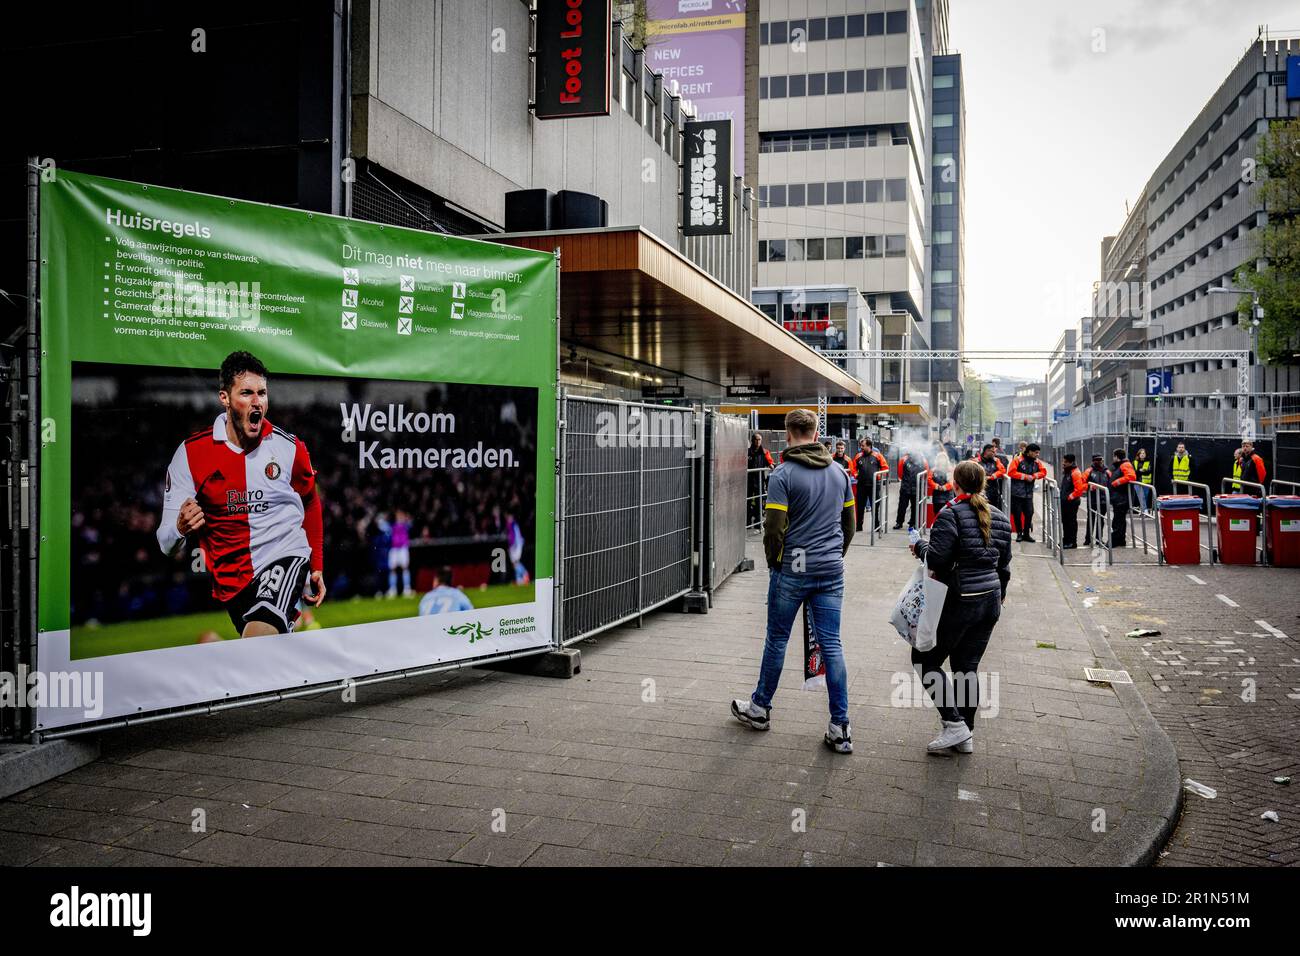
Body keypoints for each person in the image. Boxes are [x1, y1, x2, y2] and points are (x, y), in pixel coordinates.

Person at [157, 350, 326, 638]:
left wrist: (317, 565)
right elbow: (165, 543)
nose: (257, 401)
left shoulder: (289, 448)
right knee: (267, 660)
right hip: (233, 583)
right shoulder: (191, 455)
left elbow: (310, 501)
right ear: (225, 398)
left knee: (258, 639)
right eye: (247, 393)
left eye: (262, 392)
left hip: (285, 555)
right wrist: (179, 528)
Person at [732, 409, 856, 754]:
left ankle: (759, 709)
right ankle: (840, 726)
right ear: (816, 433)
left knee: (777, 639)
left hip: (792, 571)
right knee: (832, 644)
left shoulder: (782, 475)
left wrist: (776, 563)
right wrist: (835, 556)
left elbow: (773, 528)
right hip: (830, 571)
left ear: (788, 434)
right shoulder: (840, 472)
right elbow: (850, 525)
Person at [909, 460, 1013, 753]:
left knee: (924, 659)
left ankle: (954, 725)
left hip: (960, 601)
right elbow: (1004, 566)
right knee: (967, 667)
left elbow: (939, 560)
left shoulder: (950, 515)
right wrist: (1000, 595)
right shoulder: (1000, 518)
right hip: (990, 601)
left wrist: (919, 547)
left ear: (955, 483)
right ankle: (965, 734)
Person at [1007, 442, 1047, 542]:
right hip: (1016, 492)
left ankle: (1026, 534)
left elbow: (1043, 472)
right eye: (1036, 453)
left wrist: (1034, 476)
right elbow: (1011, 472)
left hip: (1028, 493)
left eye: (1038, 453)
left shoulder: (1037, 462)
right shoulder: (1018, 460)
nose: (1037, 455)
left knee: (1029, 513)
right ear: (1029, 452)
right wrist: (1025, 477)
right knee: (1017, 513)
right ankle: (1019, 534)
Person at [852, 437, 888, 532]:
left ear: (869, 446)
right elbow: (853, 468)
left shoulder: (878, 456)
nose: (861, 447)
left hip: (874, 486)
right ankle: (859, 526)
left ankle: (877, 527)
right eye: (861, 446)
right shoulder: (858, 456)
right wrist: (855, 474)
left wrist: (879, 476)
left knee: (875, 507)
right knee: (860, 506)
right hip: (861, 486)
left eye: (863, 446)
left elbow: (885, 468)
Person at [894, 447, 929, 530]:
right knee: (902, 506)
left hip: (917, 488)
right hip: (906, 487)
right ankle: (899, 522)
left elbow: (926, 474)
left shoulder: (923, 461)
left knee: (915, 506)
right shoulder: (903, 460)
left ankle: (913, 522)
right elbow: (900, 473)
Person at [1109, 449, 1138, 548]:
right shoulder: (1121, 465)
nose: (1113, 458)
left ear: (1117, 457)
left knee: (1117, 520)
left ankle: (1114, 541)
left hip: (1122, 498)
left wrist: (1116, 482)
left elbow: (1131, 476)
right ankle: (1121, 540)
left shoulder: (1125, 465)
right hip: (1120, 497)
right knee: (1120, 519)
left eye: (1114, 456)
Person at [1082, 453, 1111, 547]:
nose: (1099, 462)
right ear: (1093, 461)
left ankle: (1099, 539)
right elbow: (1082, 483)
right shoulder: (1089, 471)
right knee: (1091, 519)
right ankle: (1088, 539)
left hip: (1103, 500)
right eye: (1097, 460)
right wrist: (1090, 487)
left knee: (1101, 520)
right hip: (1092, 499)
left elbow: (1111, 484)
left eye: (1100, 460)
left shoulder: (1107, 472)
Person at [747, 432, 776, 527]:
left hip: (759, 480)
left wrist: (772, 466)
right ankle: (747, 521)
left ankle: (757, 522)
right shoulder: (747, 452)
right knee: (748, 501)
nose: (758, 441)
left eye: (760, 440)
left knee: (759, 501)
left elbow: (771, 463)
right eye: (756, 439)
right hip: (749, 480)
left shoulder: (765, 452)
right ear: (752, 440)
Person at [1060, 454, 1087, 549]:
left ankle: (1072, 542)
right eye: (1063, 461)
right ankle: (1066, 540)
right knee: (1066, 521)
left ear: (1071, 462)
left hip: (1071, 502)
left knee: (1071, 522)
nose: (1063, 463)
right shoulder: (1069, 472)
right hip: (1066, 501)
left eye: (1065, 462)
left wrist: (1069, 497)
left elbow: (1079, 489)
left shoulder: (1075, 473)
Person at [926, 453, 955, 525]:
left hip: (948, 497)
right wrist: (936, 486)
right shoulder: (933, 470)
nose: (942, 460)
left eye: (943, 458)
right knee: (937, 514)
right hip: (937, 497)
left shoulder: (950, 470)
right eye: (940, 458)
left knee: (948, 516)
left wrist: (944, 487)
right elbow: (929, 480)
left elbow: (952, 482)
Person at [978, 444, 1007, 512]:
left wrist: (993, 476)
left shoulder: (996, 460)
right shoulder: (977, 460)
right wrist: (982, 477)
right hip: (980, 489)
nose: (995, 453)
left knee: (994, 509)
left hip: (994, 489)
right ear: (987, 451)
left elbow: (1003, 470)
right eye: (992, 452)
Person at [1133, 448, 1154, 512]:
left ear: (1145, 454)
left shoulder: (1148, 462)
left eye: (1143, 453)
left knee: (1145, 496)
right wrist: (1141, 471)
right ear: (1138, 454)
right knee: (1141, 496)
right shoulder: (1134, 462)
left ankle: (1143, 509)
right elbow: (1133, 471)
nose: (1142, 454)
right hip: (1137, 482)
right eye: (1141, 453)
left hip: (1146, 482)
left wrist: (1140, 471)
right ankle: (1145, 510)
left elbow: (1149, 471)